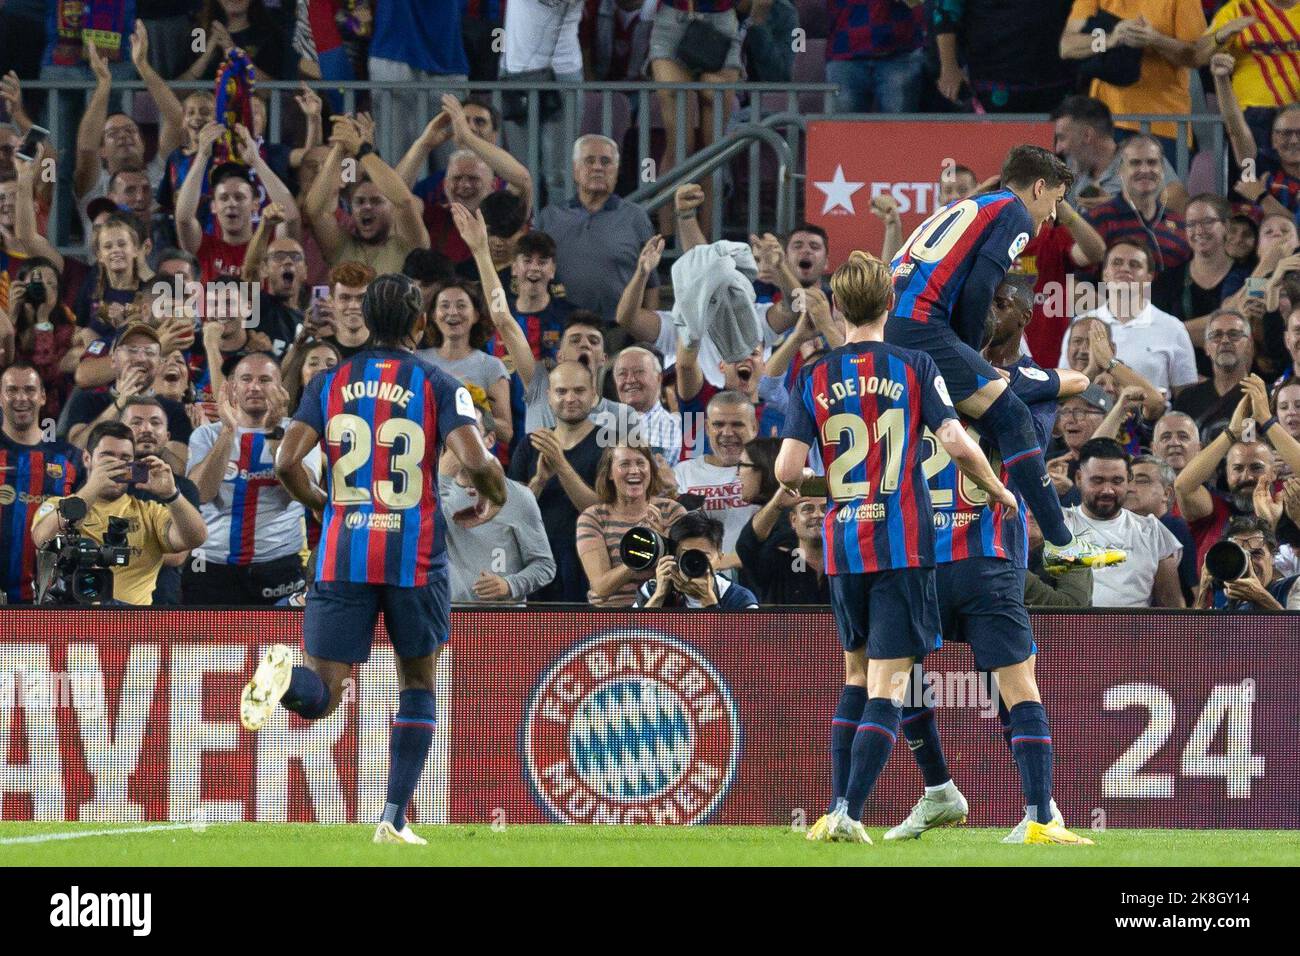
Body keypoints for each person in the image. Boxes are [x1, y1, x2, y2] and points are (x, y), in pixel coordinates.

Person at [241, 272, 506, 846]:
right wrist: (497, 494)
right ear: (420, 323)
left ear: (361, 319)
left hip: (343, 552)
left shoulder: (330, 380)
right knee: (418, 681)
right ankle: (392, 815)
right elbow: (474, 455)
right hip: (414, 557)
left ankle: (282, 680)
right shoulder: (439, 381)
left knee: (322, 695)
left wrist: (322, 504)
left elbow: (287, 463)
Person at [774, 252, 1017, 845]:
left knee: (856, 677)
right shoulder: (914, 363)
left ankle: (837, 805)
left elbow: (785, 470)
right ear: (890, 304)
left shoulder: (811, 375)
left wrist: (827, 485)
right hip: (903, 548)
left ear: (835, 306)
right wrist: (996, 489)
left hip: (843, 547)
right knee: (888, 683)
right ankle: (849, 814)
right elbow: (956, 442)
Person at [885, 282, 1096, 845]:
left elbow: (1024, 440)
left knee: (1014, 683)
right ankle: (937, 790)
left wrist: (1060, 378)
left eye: (998, 303)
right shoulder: (929, 369)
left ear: (1026, 314)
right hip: (920, 554)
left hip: (987, 552)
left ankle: (1040, 811)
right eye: (981, 301)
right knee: (896, 674)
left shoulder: (1025, 390)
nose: (983, 310)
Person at [885, 144, 1113, 569]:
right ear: (1039, 187)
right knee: (1011, 416)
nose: (1050, 218)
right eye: (1056, 203)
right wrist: (973, 357)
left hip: (894, 324)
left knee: (955, 419)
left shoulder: (969, 206)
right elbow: (981, 288)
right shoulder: (1013, 213)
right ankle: (1062, 542)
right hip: (920, 327)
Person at [184, 353, 317, 605]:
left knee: (279, 645)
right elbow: (200, 493)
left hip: (278, 566)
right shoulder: (206, 435)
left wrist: (275, 429)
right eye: (246, 379)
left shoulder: (301, 433)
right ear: (232, 388)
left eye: (265, 380)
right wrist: (228, 430)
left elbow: (301, 490)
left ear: (280, 388)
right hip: (209, 564)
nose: (255, 387)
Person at [31, 421, 208, 606]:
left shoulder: (150, 512)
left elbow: (196, 537)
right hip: (72, 622)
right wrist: (93, 486)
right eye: (108, 457)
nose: (117, 465)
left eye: (125, 458)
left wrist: (172, 494)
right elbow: (43, 539)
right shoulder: (58, 505)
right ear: (86, 458)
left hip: (131, 626)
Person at [1174, 375, 1300, 562]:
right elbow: (1182, 487)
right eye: (1238, 468)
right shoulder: (1216, 509)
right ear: (1226, 473)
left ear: (1274, 472)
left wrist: (1266, 420)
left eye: (1256, 467)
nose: (1246, 476)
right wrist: (1231, 433)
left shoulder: (1291, 504)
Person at [438, 409, 555, 604]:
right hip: (449, 619)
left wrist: (510, 585)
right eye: (454, 435)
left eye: (471, 434)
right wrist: (442, 478)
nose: (462, 443)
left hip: (503, 621)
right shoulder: (430, 496)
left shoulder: (518, 496)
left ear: (490, 440)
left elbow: (544, 565)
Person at [535, 134, 658, 320]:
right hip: (560, 327)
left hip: (620, 329)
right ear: (575, 170)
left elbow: (651, 284)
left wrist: (647, 333)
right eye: (589, 161)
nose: (598, 167)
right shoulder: (550, 217)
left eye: (606, 162)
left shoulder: (636, 217)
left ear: (616, 171)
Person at [1059, 240, 1198, 398]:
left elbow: (1186, 398)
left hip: (1150, 420)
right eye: (1117, 262)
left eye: (1135, 264)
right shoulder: (1080, 325)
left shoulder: (1173, 328)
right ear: (1104, 274)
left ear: (1148, 278)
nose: (1125, 269)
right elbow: (1064, 390)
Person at [1064, 438, 1185, 608]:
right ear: (1078, 478)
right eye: (1097, 481)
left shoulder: (1152, 531)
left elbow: (1172, 605)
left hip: (1137, 633)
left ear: (1128, 480)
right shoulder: (1058, 526)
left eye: (1117, 481)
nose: (1108, 490)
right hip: (1070, 632)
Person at [0, 362, 81, 603]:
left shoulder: (69, 457)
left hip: (47, 601)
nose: (21, 398)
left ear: (43, 396)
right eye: (12, 390)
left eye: (29, 389)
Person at [63, 323, 192, 463]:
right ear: (113, 360)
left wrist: (150, 439)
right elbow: (75, 453)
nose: (141, 358)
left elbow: (178, 471)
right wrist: (120, 405)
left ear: (158, 361)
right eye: (132, 350)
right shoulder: (88, 400)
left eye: (149, 352)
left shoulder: (175, 410)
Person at [578, 443, 687, 607]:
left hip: (664, 611)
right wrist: (643, 552)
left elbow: (687, 574)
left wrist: (664, 541)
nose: (635, 470)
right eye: (625, 464)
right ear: (609, 473)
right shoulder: (593, 517)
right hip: (612, 617)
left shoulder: (671, 511)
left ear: (650, 469)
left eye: (641, 463)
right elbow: (601, 588)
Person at [415, 279, 513, 448]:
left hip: (472, 464)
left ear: (476, 315)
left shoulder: (491, 366)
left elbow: (506, 432)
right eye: (444, 306)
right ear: (432, 315)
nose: (452, 312)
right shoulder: (417, 360)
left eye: (461, 306)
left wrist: (478, 414)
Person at [1083, 135, 1191, 274]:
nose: (1145, 170)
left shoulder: (1180, 224)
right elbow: (1077, 284)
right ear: (1120, 171)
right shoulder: (1095, 220)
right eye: (1135, 163)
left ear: (1163, 170)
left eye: (1152, 162)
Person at [672, 391, 758, 559]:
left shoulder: (766, 472)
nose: (727, 432)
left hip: (754, 577)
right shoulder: (682, 472)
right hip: (697, 575)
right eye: (718, 424)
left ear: (754, 427)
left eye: (737, 424)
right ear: (707, 428)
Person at [634, 511, 759, 609]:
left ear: (720, 558)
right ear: (673, 557)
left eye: (703, 556)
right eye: (686, 556)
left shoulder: (739, 599)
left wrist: (707, 599)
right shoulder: (652, 590)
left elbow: (743, 642)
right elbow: (630, 636)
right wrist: (659, 596)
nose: (695, 562)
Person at [1172, 310, 1255, 439]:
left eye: (1234, 335)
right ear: (1206, 346)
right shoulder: (1187, 400)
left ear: (1249, 344)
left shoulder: (1263, 396)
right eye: (1216, 335)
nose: (1225, 341)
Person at [1126, 453, 1198, 601]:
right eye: (1128, 480)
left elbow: (1193, 589)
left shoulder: (1173, 527)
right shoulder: (1122, 528)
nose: (1130, 488)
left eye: (1141, 481)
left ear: (1166, 493)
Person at [1194, 515, 1300, 610]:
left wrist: (1261, 599)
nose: (1248, 563)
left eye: (1255, 554)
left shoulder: (1294, 587)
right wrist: (1202, 594)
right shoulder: (1228, 608)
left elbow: (1294, 631)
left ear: (1273, 557)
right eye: (1239, 556)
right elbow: (1196, 632)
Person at [613, 346, 682, 465]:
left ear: (659, 378)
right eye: (622, 374)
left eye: (639, 372)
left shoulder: (680, 429)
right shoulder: (600, 428)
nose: (630, 380)